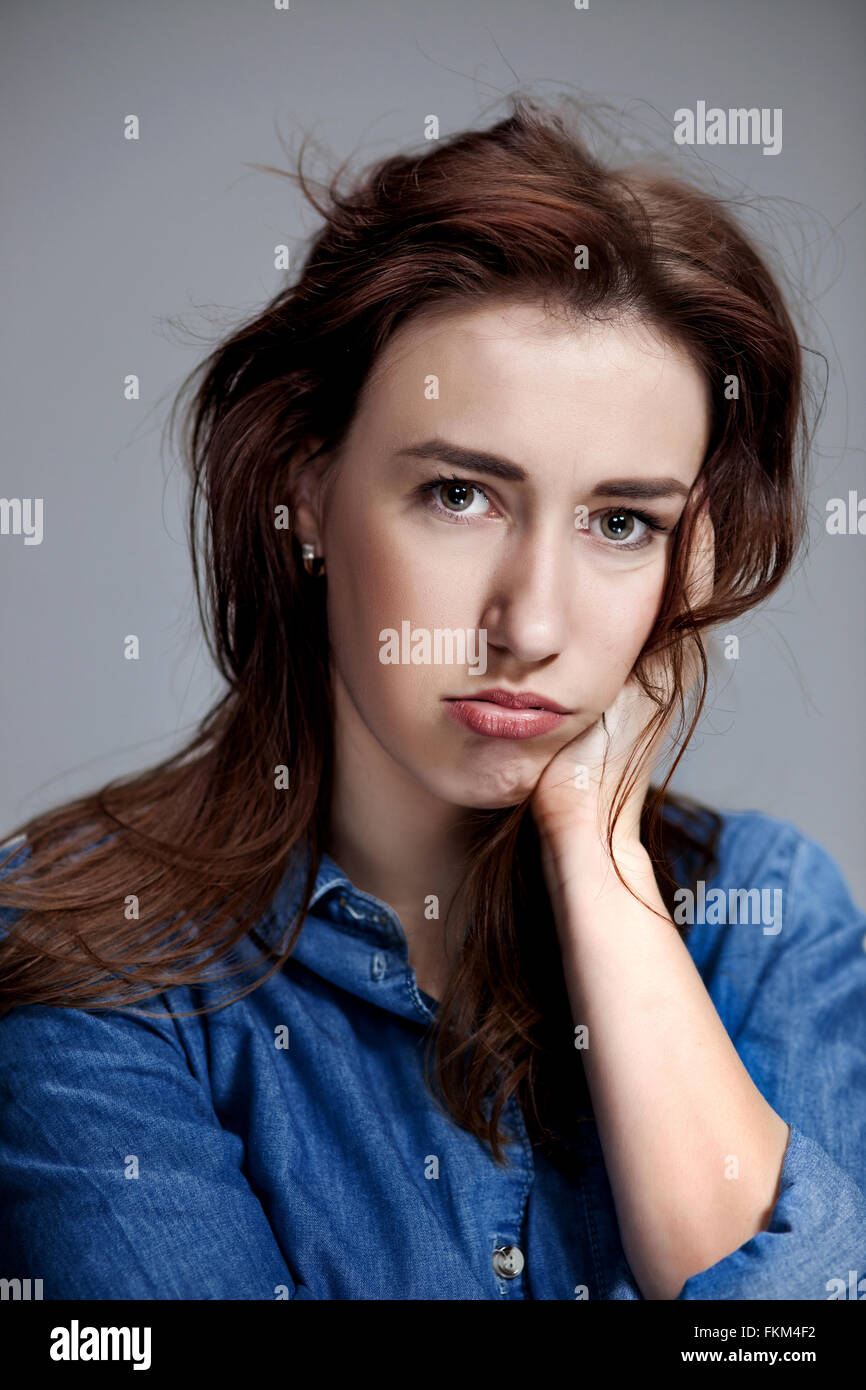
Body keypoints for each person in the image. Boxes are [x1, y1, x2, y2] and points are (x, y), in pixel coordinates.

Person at [0, 96, 864, 1302]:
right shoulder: (88, 961)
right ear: (307, 485)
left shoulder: (765, 923)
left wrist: (602, 862)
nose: (535, 625)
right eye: (461, 495)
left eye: (623, 523)